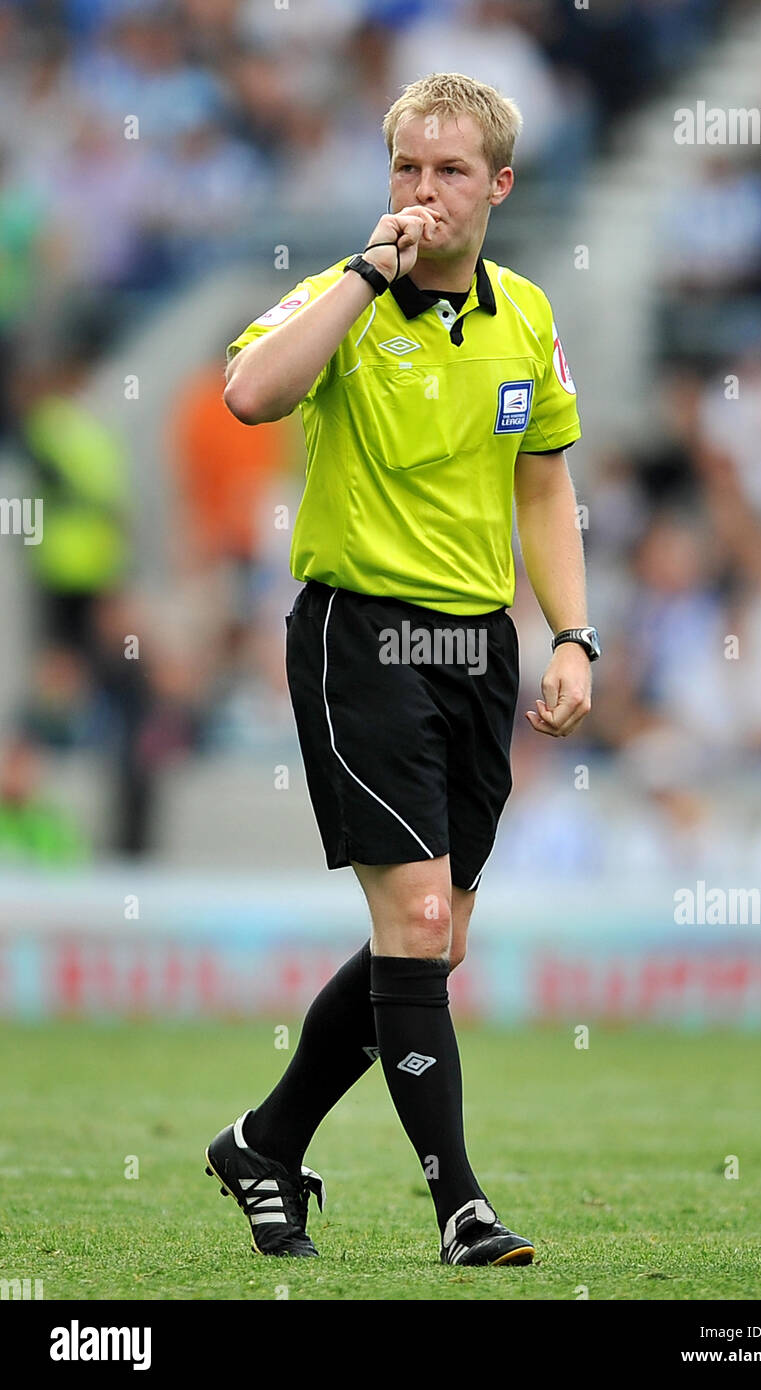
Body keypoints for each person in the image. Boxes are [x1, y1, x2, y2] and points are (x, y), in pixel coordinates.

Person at [205, 71, 600, 1267]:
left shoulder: (526, 314)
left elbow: (543, 483)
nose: (422, 193)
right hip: (359, 636)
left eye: (447, 172)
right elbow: (249, 394)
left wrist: (573, 634)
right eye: (405, 170)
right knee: (420, 917)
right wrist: (365, 273)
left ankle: (263, 1142)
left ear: (497, 186)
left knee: (431, 941)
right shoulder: (338, 296)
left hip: (476, 649)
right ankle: (461, 1209)